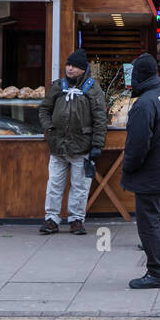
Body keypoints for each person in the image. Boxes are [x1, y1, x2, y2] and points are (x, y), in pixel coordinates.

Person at [121, 53, 160, 288]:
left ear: (139, 75)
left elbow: (137, 146)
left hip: (150, 173)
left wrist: (129, 167)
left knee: (149, 223)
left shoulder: (144, 104)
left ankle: (157, 272)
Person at [35, 49, 107, 236]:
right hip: (58, 146)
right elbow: (44, 109)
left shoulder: (93, 89)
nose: (70, 68)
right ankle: (51, 219)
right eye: (68, 65)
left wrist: (97, 145)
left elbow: (100, 118)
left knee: (80, 186)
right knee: (54, 185)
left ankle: (76, 220)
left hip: (82, 146)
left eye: (74, 66)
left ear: (83, 69)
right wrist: (49, 127)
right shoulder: (58, 86)